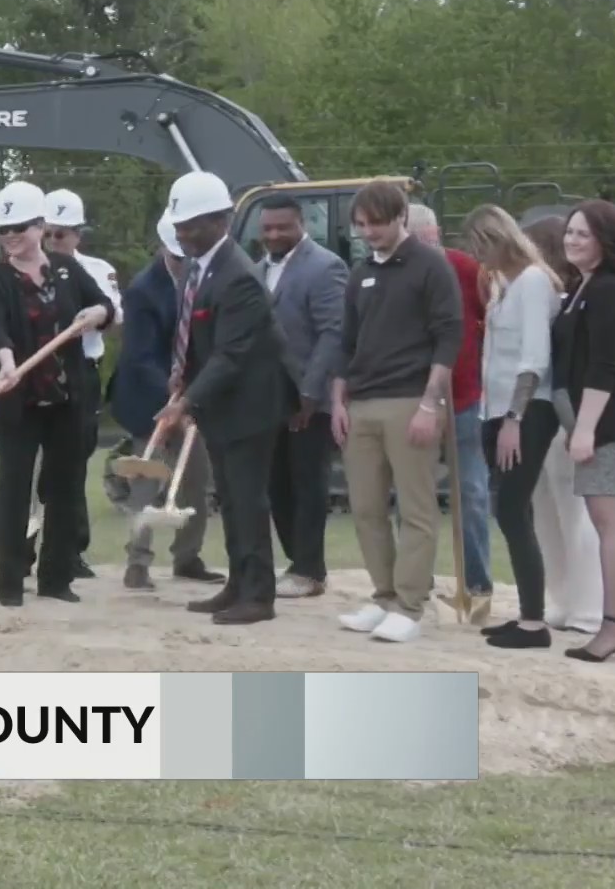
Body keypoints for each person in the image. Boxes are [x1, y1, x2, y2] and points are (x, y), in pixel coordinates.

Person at [155, 173, 297, 624]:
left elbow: (232, 354)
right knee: (231, 500)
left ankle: (259, 595)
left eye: (190, 224)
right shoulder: (199, 269)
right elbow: (200, 342)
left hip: (250, 407)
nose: (181, 233)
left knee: (249, 499)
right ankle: (237, 583)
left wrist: (184, 402)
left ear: (220, 221)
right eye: (177, 225)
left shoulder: (239, 277)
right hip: (220, 407)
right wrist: (182, 381)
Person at [332, 180, 464, 644]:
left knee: (416, 509)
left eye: (376, 223)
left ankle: (410, 606)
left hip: (412, 399)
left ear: (400, 216)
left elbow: (449, 336)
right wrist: (338, 401)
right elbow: (345, 342)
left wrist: (431, 403)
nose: (368, 232)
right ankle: (384, 596)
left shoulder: (432, 266)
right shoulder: (360, 272)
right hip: (361, 402)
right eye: (362, 224)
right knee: (366, 507)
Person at [0, 181, 113, 607]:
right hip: (18, 396)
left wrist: (99, 313)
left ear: (39, 225)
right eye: (3, 229)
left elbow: (103, 307)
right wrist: (6, 361)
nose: (9, 236)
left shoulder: (68, 268)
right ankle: (11, 582)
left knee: (65, 486)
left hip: (67, 399)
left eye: (18, 226)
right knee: (15, 488)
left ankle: (56, 578)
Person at [465, 205, 563, 649]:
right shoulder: (505, 286)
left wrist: (514, 420)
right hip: (496, 410)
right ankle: (528, 614)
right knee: (512, 511)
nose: (476, 255)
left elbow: (534, 359)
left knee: (510, 509)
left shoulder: (533, 282)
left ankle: (534, 624)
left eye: (479, 244)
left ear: (498, 238)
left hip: (524, 411)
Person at [552, 200, 615, 663]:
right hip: (610, 421)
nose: (571, 240)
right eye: (570, 232)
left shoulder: (608, 290)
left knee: (612, 526)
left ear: (605, 241)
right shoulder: (581, 287)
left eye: (583, 234)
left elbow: (604, 366)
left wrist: (584, 428)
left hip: (612, 422)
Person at [111, 212, 219, 589]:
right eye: (175, 255)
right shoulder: (143, 291)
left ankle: (188, 558)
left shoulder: (202, 278)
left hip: (190, 398)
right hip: (148, 401)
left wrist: (190, 398)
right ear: (161, 247)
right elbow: (139, 357)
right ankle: (136, 564)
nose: (182, 261)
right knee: (146, 482)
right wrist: (172, 398)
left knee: (196, 481)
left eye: (186, 255)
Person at [257, 195, 349, 598]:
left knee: (308, 484)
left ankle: (311, 568)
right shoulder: (257, 269)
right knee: (276, 484)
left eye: (283, 227)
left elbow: (333, 334)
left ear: (301, 224)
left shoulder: (326, 266)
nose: (275, 234)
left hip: (310, 399)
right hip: (267, 398)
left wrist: (309, 394)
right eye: (268, 228)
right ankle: (297, 563)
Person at [521, 215, 604, 634]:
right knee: (547, 512)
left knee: (578, 513)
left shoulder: (579, 299)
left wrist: (580, 423)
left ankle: (591, 606)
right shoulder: (550, 296)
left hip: (570, 414)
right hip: (542, 414)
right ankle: (563, 598)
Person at [409, 203, 493, 619]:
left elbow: (491, 322)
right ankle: (415, 582)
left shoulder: (465, 268)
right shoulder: (399, 273)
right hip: (416, 400)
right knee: (412, 493)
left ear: (437, 234)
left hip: (464, 398)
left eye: (429, 238)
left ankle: (477, 584)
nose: (425, 248)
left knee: (473, 493)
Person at [39, 188, 121, 578]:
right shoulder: (26, 268)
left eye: (63, 233)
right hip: (40, 371)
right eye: (50, 232)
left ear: (78, 234)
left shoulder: (96, 268)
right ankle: (33, 546)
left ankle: (73, 547)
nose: (56, 241)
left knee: (74, 460)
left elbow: (115, 312)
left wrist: (96, 310)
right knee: (39, 466)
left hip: (82, 370)